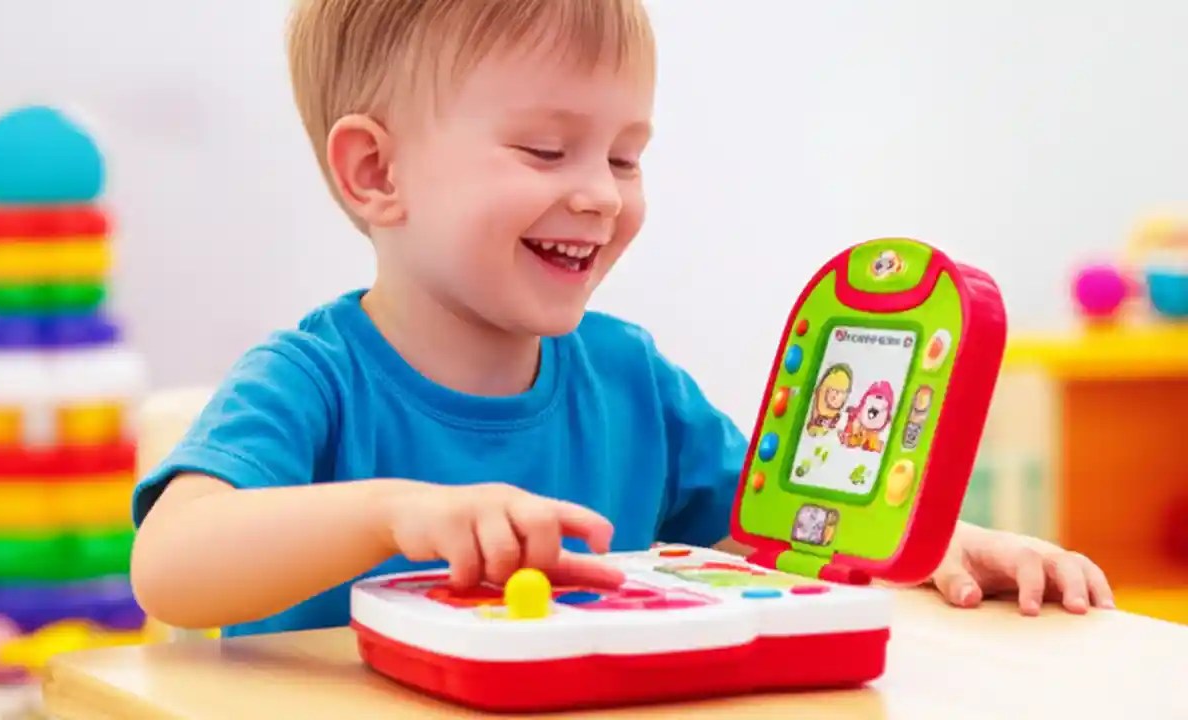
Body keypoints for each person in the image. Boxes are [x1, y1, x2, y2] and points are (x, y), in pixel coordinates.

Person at [129, 0, 1113, 637]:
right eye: (548, 149)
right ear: (378, 172)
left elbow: (790, 537)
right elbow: (170, 568)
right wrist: (394, 510)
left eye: (624, 155)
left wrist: (931, 543)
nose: (600, 195)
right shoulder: (312, 379)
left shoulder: (632, 380)